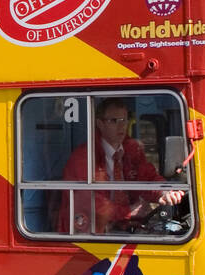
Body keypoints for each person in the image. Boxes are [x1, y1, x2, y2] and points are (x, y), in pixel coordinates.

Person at [57, 98, 185, 234]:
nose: (121, 126)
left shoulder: (132, 150)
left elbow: (148, 177)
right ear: (100, 124)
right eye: (113, 121)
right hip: (90, 231)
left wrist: (163, 192)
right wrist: (129, 212)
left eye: (124, 120)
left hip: (126, 227)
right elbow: (90, 200)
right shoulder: (83, 156)